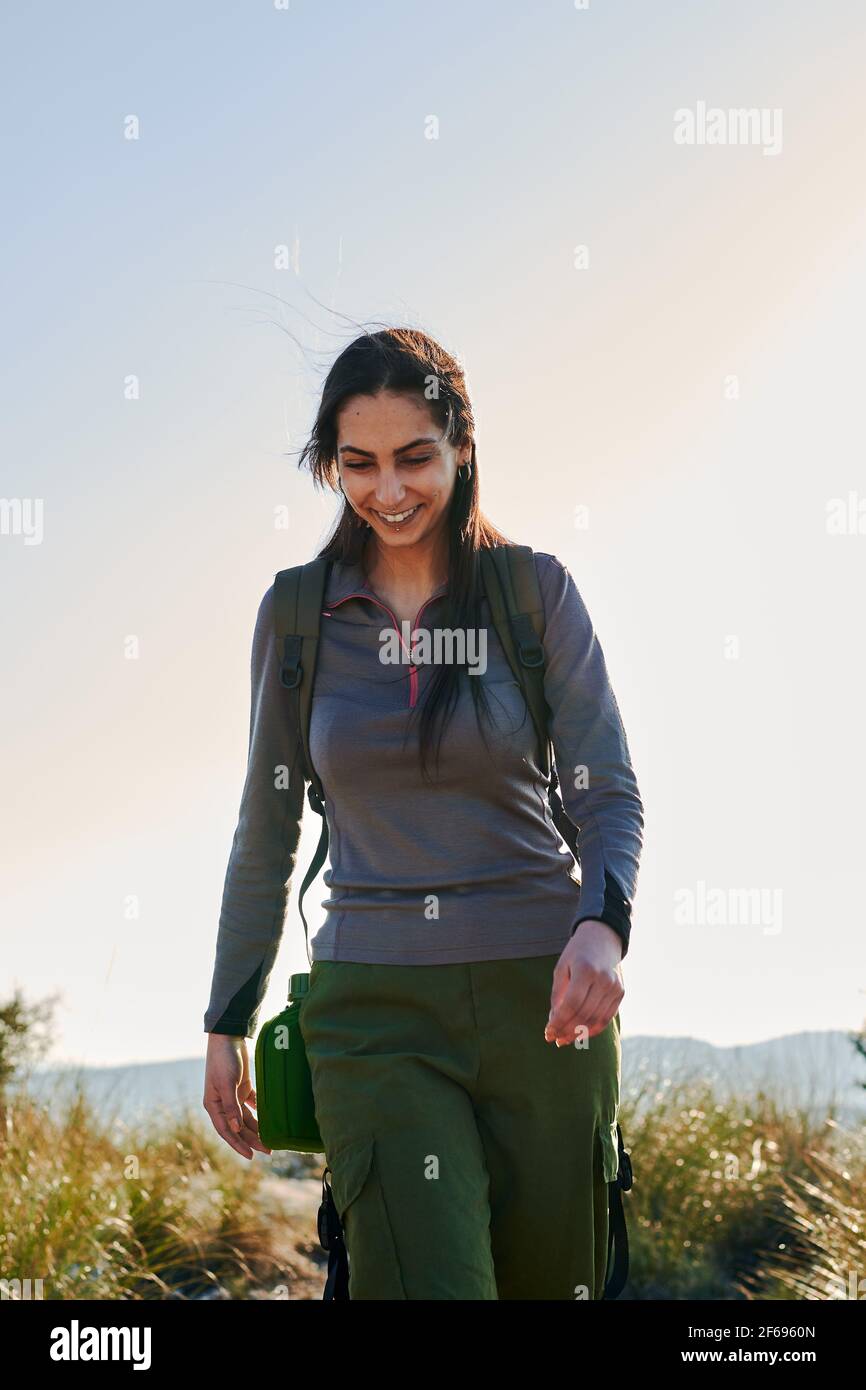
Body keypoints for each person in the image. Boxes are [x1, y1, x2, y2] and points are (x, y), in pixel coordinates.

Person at [202, 326, 644, 1300]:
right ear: (329, 465)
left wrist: (601, 928)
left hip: (545, 1008)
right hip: (372, 1013)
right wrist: (226, 1017)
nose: (388, 490)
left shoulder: (534, 594)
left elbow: (603, 787)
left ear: (462, 449)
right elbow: (265, 828)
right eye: (357, 463)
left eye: (414, 457)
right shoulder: (295, 618)